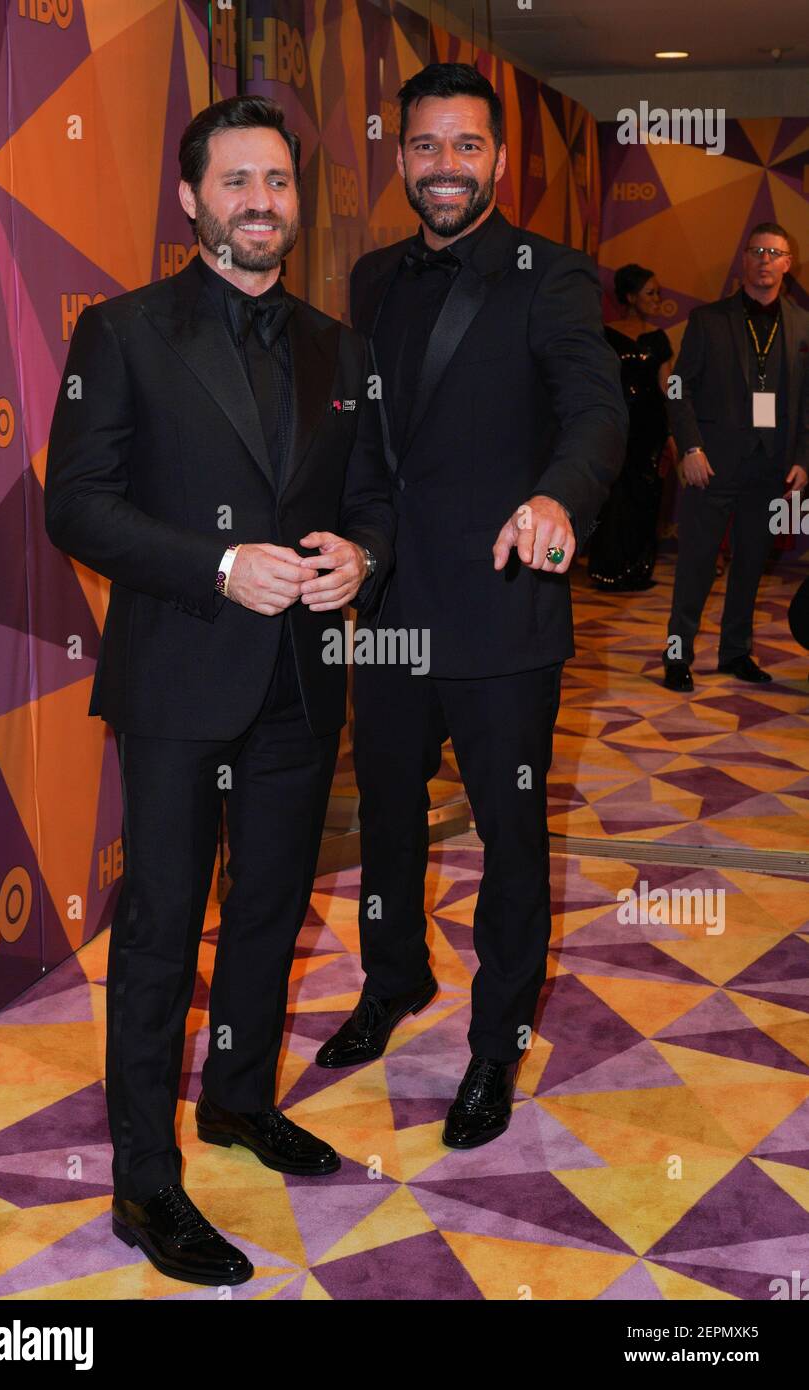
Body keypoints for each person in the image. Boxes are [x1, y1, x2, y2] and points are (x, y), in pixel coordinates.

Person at [44, 95, 394, 1287]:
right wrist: (217, 565)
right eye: (236, 181)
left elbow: (371, 500)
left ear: (299, 200)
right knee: (158, 933)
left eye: (279, 182)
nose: (261, 202)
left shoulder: (339, 349)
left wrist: (364, 557)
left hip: (301, 682)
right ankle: (144, 1180)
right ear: (191, 199)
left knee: (269, 909)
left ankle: (237, 1099)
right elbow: (76, 504)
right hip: (179, 683)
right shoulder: (123, 332)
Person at [314, 63, 627, 1150]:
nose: (446, 166)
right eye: (426, 147)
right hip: (395, 607)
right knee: (388, 822)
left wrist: (557, 493)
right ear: (400, 156)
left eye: (467, 146)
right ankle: (392, 980)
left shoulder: (553, 275)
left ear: (498, 157)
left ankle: (497, 1043)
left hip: (502, 610)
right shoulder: (371, 279)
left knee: (513, 838)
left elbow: (596, 412)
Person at [663, 221, 809, 692]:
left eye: (775, 252)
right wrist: (689, 447)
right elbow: (678, 389)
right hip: (711, 464)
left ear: (789, 264)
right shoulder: (709, 319)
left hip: (772, 467)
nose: (765, 259)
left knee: (750, 565)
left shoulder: (804, 325)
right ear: (744, 260)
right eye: (756, 251)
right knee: (696, 566)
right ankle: (676, 655)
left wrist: (804, 458)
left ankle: (735, 652)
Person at [587, 264, 675, 590]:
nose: (656, 299)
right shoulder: (605, 333)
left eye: (658, 293)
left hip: (650, 427)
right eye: (650, 293)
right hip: (616, 424)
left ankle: (639, 569)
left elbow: (668, 386)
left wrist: (684, 407)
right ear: (629, 296)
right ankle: (607, 567)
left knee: (647, 494)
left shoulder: (658, 338)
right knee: (613, 496)